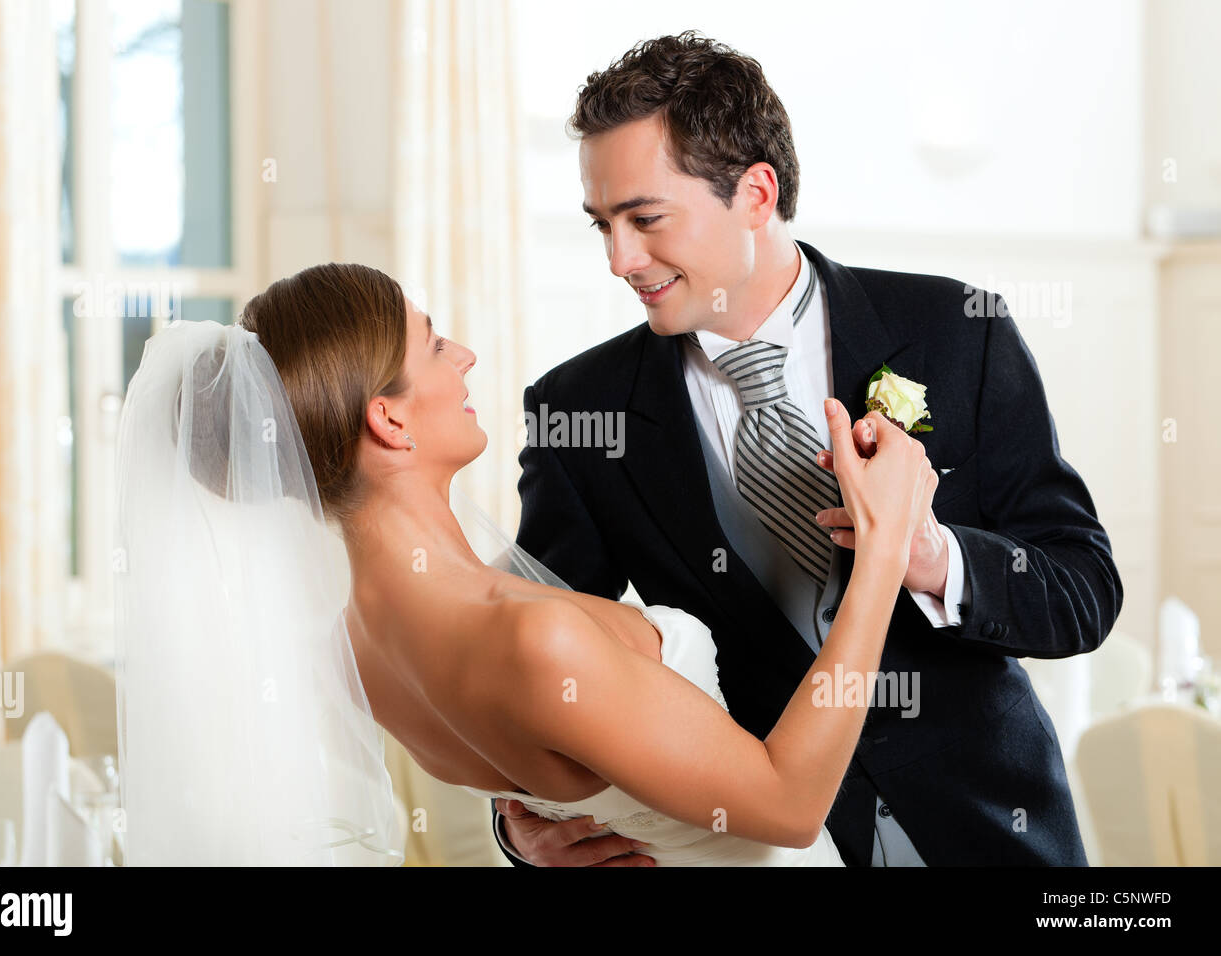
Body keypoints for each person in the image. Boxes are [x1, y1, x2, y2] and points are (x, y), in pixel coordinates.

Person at [492, 31, 1123, 867]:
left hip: (992, 833)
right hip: (765, 850)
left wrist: (928, 554)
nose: (619, 259)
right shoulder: (579, 410)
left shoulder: (955, 331)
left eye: (644, 219)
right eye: (602, 225)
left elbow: (1084, 590)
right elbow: (534, 657)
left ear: (756, 194)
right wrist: (521, 826)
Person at [117, 260, 936, 866]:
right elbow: (788, 807)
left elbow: (552, 764)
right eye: (435, 344)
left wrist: (525, 839)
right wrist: (883, 544)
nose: (466, 356)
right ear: (389, 422)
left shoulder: (352, 651)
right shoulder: (534, 639)